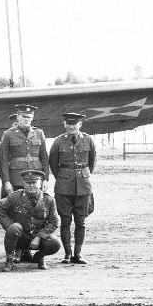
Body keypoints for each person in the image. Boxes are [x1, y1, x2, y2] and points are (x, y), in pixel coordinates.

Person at [48, 112, 97, 264]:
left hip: (83, 185)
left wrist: (82, 175)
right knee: (65, 221)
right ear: (64, 125)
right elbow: (53, 164)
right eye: (68, 124)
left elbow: (92, 162)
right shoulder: (58, 142)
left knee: (81, 221)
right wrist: (64, 177)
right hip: (64, 186)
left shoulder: (88, 140)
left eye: (74, 124)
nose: (71, 126)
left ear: (80, 125)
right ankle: (67, 254)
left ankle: (78, 254)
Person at [0, 170, 61, 271]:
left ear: (40, 183)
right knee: (13, 229)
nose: (31, 185)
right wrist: (10, 225)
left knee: (55, 243)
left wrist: (39, 236)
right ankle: (10, 261)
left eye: (34, 183)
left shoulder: (48, 200)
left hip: (38, 237)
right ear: (24, 184)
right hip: (20, 236)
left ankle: (39, 257)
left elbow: (54, 221)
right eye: (28, 183)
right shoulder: (15, 196)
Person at [0, 104, 50, 196]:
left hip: (36, 177)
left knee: (36, 206)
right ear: (18, 117)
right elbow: (3, 160)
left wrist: (45, 179)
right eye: (23, 116)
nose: (26, 119)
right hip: (17, 178)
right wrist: (6, 181)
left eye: (29, 117)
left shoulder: (39, 133)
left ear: (32, 118)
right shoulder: (8, 134)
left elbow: (44, 157)